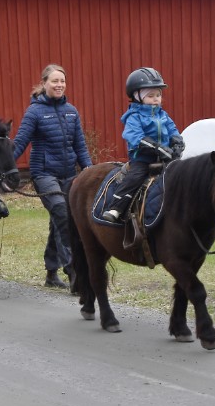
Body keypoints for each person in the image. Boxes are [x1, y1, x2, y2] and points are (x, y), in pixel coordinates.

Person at [13, 64, 93, 290]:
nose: (59, 85)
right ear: (44, 83)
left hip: (69, 175)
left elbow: (80, 145)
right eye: (54, 81)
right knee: (61, 212)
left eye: (62, 81)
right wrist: (5, 164)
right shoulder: (35, 112)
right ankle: (74, 271)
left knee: (58, 221)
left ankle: (51, 271)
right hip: (44, 174)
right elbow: (20, 143)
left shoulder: (72, 111)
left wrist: (89, 171)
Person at [102, 67, 184, 223]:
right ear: (137, 96)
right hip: (143, 159)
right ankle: (116, 208)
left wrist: (177, 143)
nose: (156, 99)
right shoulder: (134, 116)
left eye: (158, 95)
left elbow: (173, 130)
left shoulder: (162, 114)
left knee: (181, 174)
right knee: (135, 178)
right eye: (151, 95)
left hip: (165, 158)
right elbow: (134, 136)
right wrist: (156, 147)